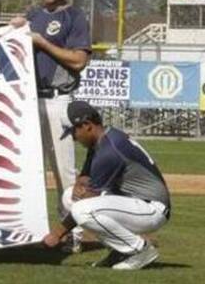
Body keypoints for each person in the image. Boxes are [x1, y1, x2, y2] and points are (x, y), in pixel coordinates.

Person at [9, 0, 90, 251]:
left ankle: (72, 233)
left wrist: (42, 42)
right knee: (26, 168)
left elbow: (79, 60)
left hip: (58, 99)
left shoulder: (74, 17)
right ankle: (28, 230)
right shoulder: (32, 16)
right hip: (30, 100)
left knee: (64, 171)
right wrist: (13, 29)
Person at [42, 102, 169, 270]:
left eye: (74, 131)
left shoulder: (110, 150)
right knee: (69, 197)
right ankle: (119, 251)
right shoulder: (103, 139)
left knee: (82, 210)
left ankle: (140, 250)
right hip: (133, 203)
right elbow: (85, 176)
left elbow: (89, 198)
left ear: (87, 125)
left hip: (151, 209)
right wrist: (80, 183)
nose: (73, 137)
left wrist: (56, 235)